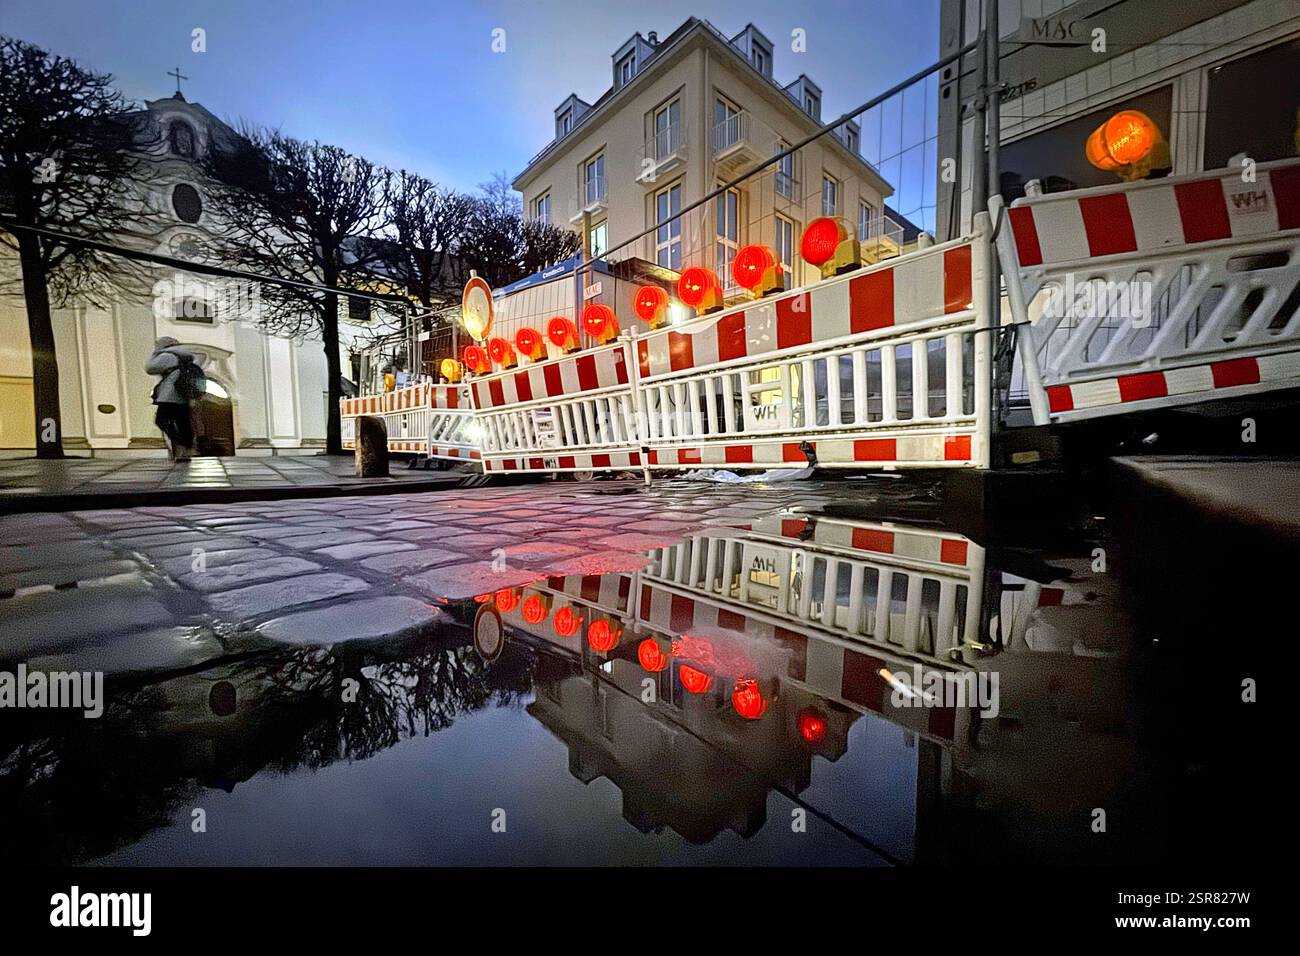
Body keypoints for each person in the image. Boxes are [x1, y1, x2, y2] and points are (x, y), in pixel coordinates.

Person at [145, 336, 203, 461]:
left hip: (169, 395)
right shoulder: (187, 357)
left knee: (161, 420)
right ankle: (187, 450)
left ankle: (180, 444)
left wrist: (155, 353)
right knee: (184, 423)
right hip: (184, 395)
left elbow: (149, 368)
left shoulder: (167, 356)